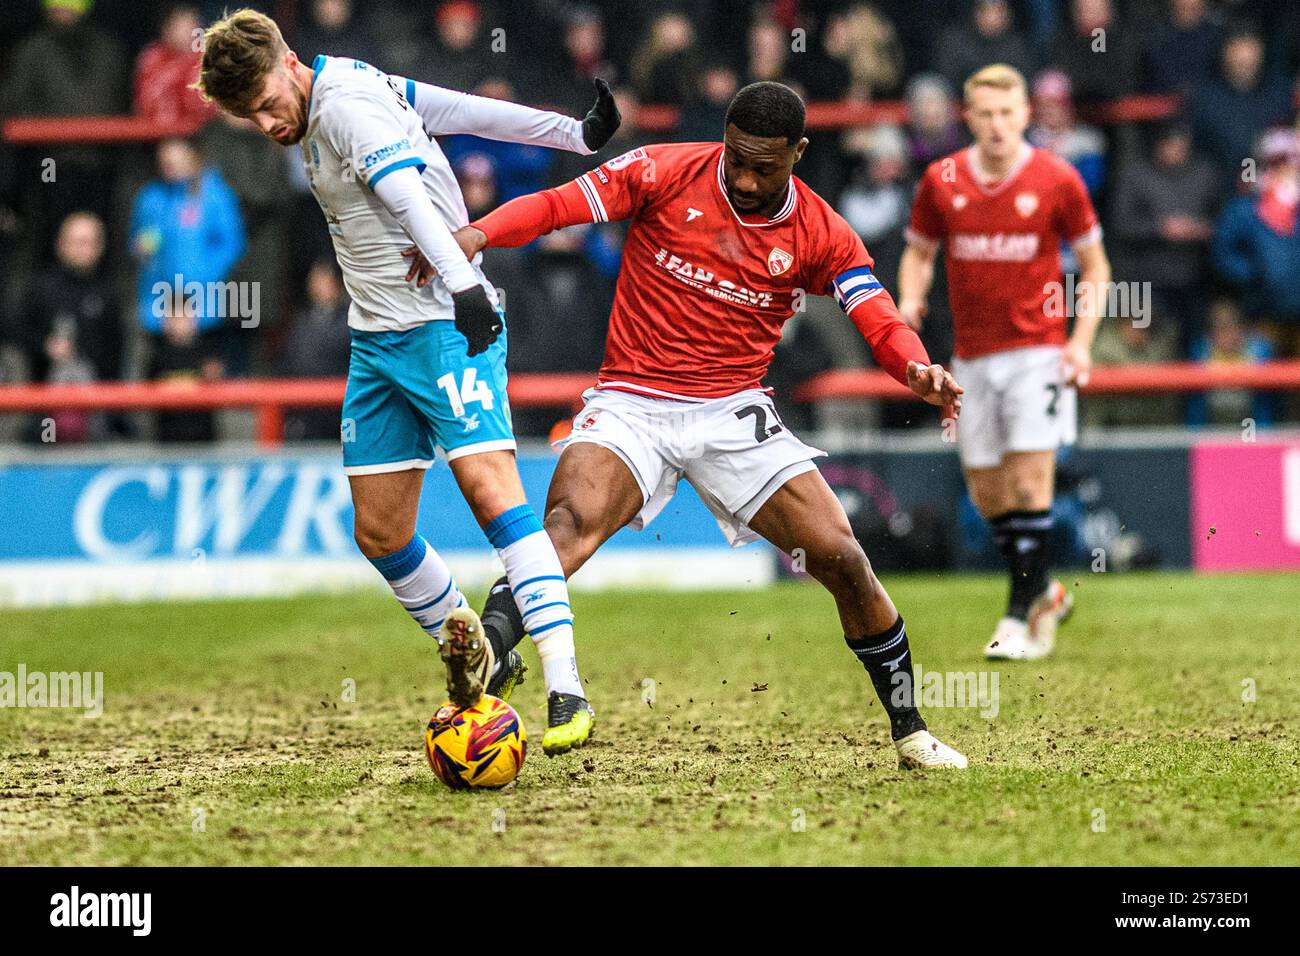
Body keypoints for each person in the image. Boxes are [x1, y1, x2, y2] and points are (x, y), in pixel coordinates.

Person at [419, 81, 970, 770]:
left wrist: (915, 369)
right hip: (632, 403)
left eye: (762, 167)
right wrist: (475, 233)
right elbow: (559, 207)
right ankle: (489, 651)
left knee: (844, 559)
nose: (742, 178)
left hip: (732, 410)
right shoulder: (663, 169)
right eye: (735, 158)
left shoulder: (823, 232)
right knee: (565, 525)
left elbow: (877, 315)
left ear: (798, 154)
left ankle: (911, 730)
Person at [195, 9, 622, 755]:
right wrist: (569, 133)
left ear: (288, 61)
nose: (264, 123)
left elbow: (406, 196)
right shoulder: (358, 80)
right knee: (382, 532)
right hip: (376, 342)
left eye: (265, 102)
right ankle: (483, 651)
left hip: (445, 328)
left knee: (496, 497)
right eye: (247, 116)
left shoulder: (347, 106)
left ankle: (567, 690)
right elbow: (458, 109)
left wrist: (461, 288)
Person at [897, 64, 1111, 661]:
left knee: (1029, 480)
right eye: (985, 114)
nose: (997, 125)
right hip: (972, 360)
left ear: (1025, 115)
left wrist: (1081, 341)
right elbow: (918, 253)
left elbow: (1096, 267)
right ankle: (1045, 589)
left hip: (1038, 352)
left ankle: (1018, 615)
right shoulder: (941, 179)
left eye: (1008, 113)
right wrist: (911, 295)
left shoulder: (1057, 179)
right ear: (968, 117)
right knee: (988, 492)